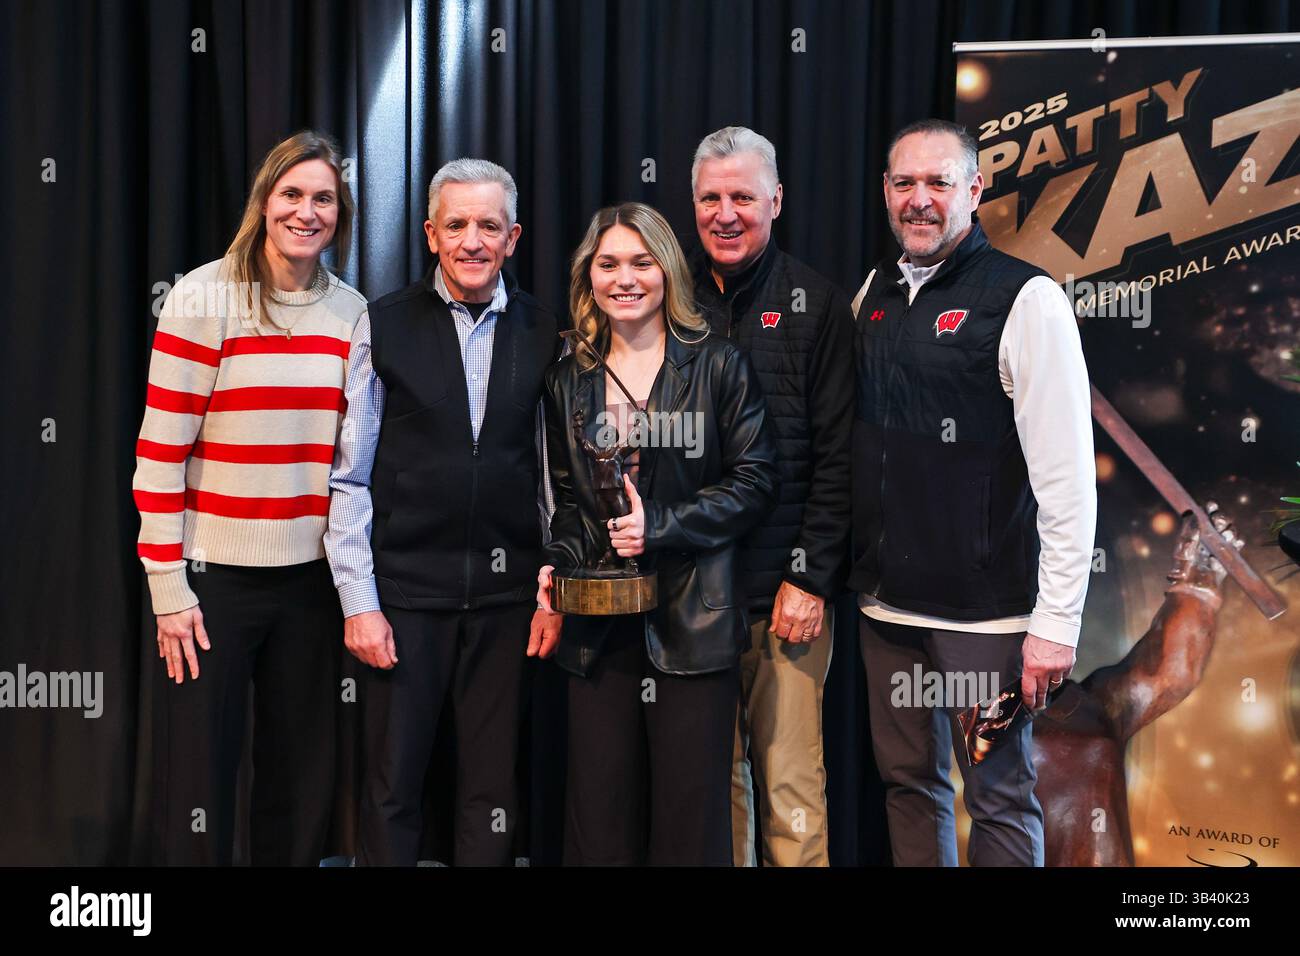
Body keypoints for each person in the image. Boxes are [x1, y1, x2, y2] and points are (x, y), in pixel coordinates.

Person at [849, 119, 1097, 866]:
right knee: (908, 785)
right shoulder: (874, 293)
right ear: (886, 193)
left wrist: (1056, 621)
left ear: (974, 190)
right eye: (904, 184)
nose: (919, 200)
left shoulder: (1026, 299)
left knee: (996, 797)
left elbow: (1066, 476)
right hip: (885, 607)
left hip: (986, 617)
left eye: (938, 183)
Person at [133, 130, 365, 865]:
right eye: (291, 194)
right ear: (264, 202)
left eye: (323, 198)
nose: (307, 211)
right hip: (212, 585)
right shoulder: (203, 297)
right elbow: (159, 455)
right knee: (199, 781)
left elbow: (349, 462)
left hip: (309, 584)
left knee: (299, 782)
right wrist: (168, 587)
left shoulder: (351, 311)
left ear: (341, 212)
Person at [325, 158, 562, 866]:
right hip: (403, 600)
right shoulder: (386, 323)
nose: (472, 240)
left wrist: (551, 585)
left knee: (490, 793)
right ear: (431, 233)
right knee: (393, 785)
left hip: (509, 602)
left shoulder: (543, 330)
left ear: (513, 236)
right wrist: (359, 602)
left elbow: (554, 479)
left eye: (489, 225)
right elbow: (349, 476)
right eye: (456, 224)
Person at [537, 202, 779, 865]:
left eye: (642, 262)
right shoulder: (567, 380)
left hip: (694, 622)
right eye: (608, 264)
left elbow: (756, 482)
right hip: (598, 632)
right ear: (589, 276)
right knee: (599, 823)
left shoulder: (718, 365)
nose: (625, 278)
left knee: (690, 826)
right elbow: (567, 507)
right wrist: (556, 561)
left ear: (668, 271)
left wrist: (662, 527)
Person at [688, 126, 853, 867]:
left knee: (790, 796)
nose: (727, 213)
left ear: (776, 201)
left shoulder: (817, 304)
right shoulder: (666, 298)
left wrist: (810, 574)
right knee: (710, 799)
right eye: (711, 198)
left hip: (784, 600)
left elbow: (840, 455)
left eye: (743, 197)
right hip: (688, 599)